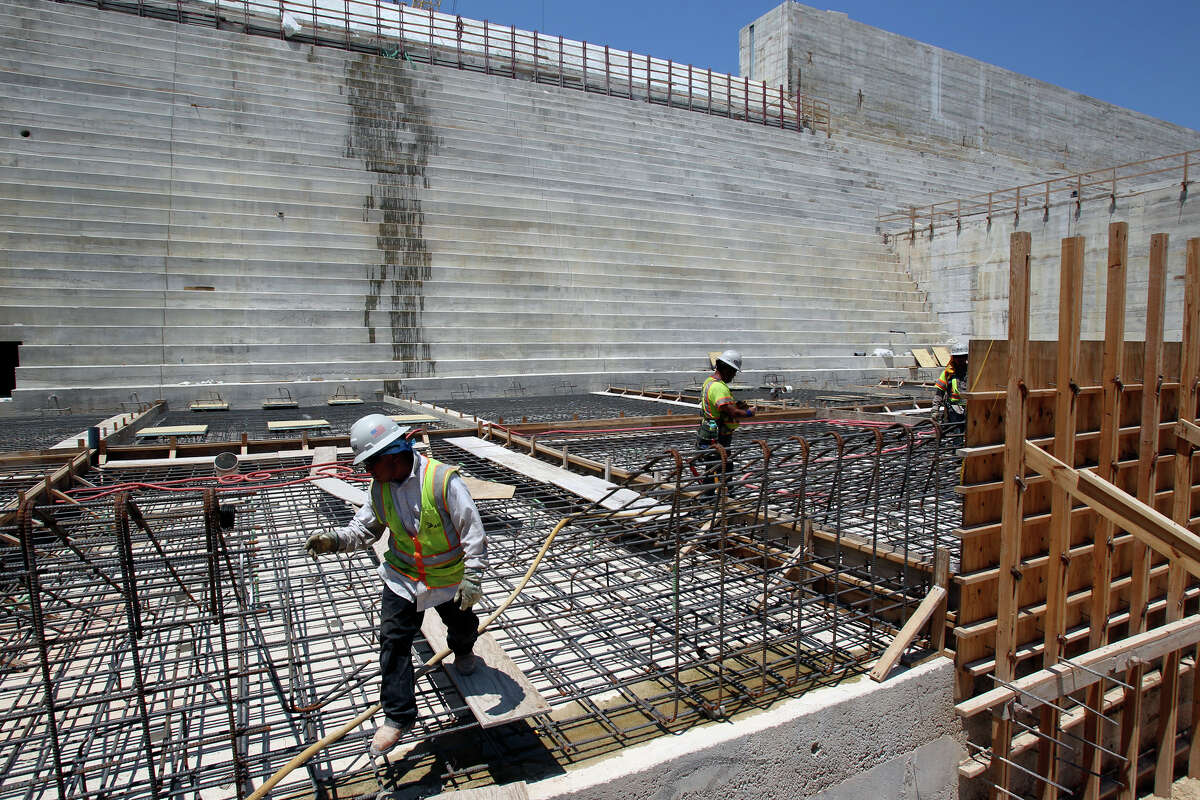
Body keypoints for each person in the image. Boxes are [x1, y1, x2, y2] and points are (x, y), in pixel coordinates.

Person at [304, 414, 487, 756]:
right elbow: (364, 529)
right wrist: (334, 540)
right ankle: (397, 717)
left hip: (448, 579)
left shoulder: (441, 480)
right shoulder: (379, 487)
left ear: (390, 456)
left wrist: (473, 575)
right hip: (403, 578)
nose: (366, 472)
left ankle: (463, 650)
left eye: (369, 464)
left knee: (462, 627)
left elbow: (472, 531)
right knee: (393, 640)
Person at [697, 350, 757, 492]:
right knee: (720, 465)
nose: (734, 375)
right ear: (726, 368)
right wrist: (749, 412)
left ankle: (715, 496)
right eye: (733, 371)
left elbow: (721, 408)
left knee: (715, 464)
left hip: (711, 430)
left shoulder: (710, 382)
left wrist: (736, 405)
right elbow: (732, 412)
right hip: (718, 434)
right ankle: (716, 498)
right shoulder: (718, 387)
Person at [934, 350, 968, 423]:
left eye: (962, 357)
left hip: (970, 408)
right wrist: (935, 409)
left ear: (967, 357)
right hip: (954, 408)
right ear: (953, 358)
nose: (960, 359)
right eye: (957, 357)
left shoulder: (972, 372)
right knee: (956, 431)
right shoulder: (947, 373)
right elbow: (939, 393)